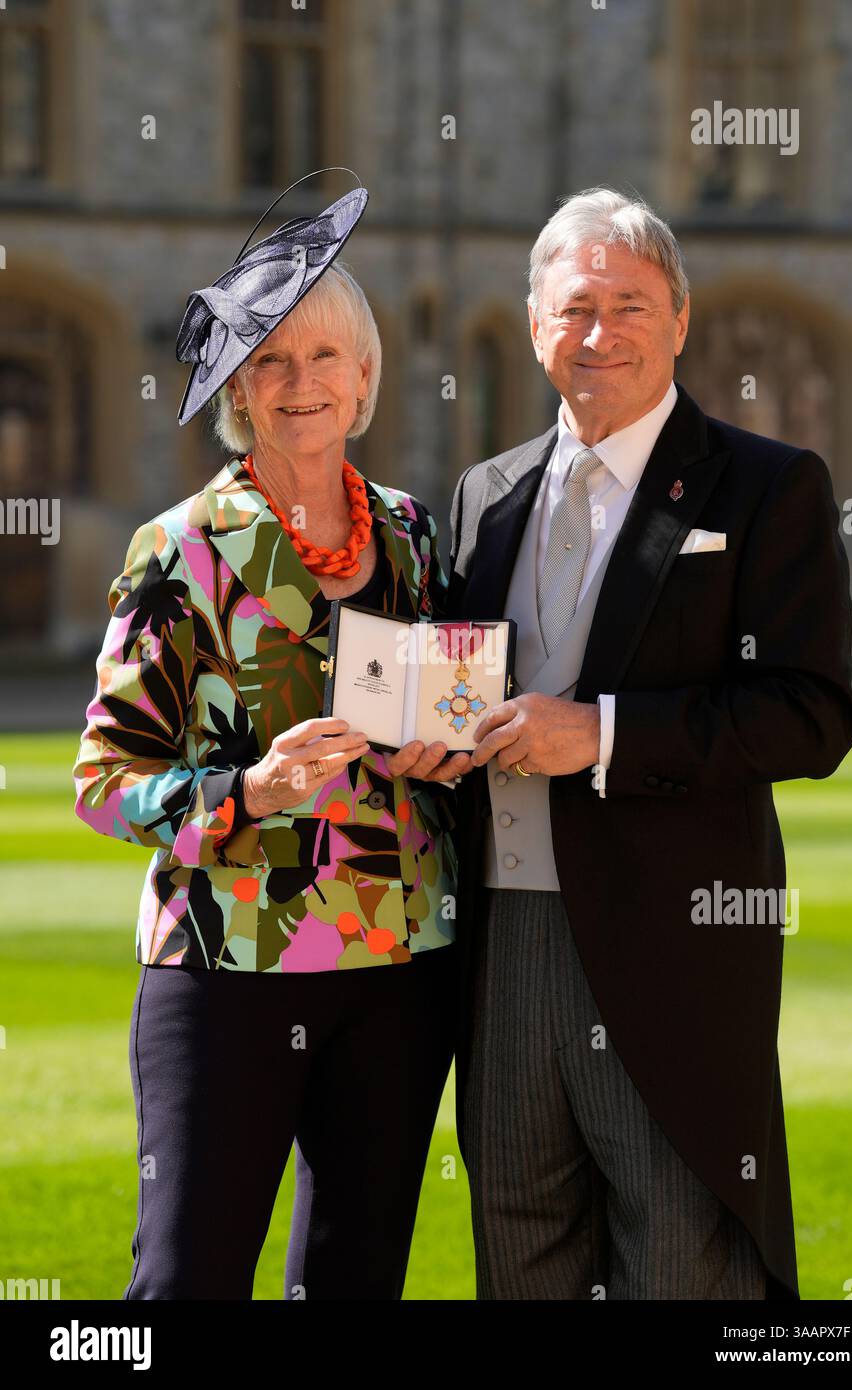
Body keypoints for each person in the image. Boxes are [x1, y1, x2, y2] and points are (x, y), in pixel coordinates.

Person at [446, 186, 852, 1300]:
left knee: (680, 1259)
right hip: (500, 940)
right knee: (519, 1252)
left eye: (629, 304)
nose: (600, 332)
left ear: (679, 320)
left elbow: (813, 714)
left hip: (668, 939)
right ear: (535, 324)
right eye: (574, 306)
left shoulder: (768, 485)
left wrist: (604, 734)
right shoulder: (484, 496)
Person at [72, 177, 467, 1300]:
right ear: (240, 388)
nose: (302, 386)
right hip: (230, 964)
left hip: (402, 965)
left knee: (354, 1280)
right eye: (272, 364)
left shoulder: (413, 535)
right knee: (187, 1282)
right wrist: (247, 786)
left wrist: (450, 746)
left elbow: (438, 713)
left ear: (365, 375)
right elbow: (106, 780)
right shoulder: (181, 546)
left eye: (325, 358)